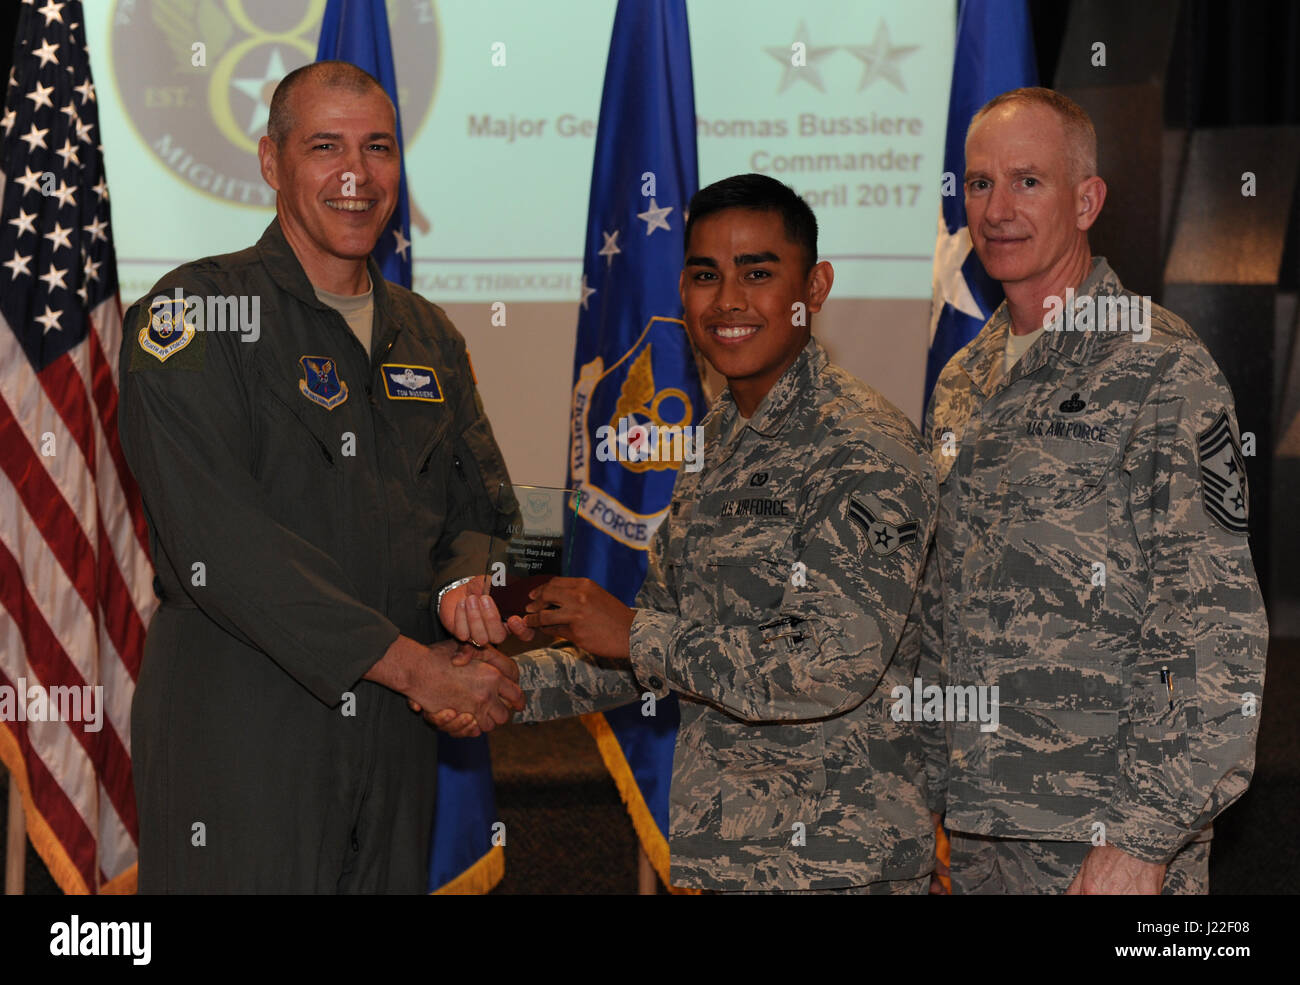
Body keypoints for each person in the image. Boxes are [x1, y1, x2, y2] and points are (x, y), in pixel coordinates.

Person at [430, 173, 939, 892]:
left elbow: (829, 662)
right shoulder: (720, 437)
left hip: (840, 868)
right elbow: (662, 640)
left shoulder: (863, 445)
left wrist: (635, 632)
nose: (727, 300)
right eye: (706, 275)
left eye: (757, 273)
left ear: (815, 287)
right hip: (729, 860)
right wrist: (511, 682)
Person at [118, 61, 523, 893]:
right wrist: (418, 668)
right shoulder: (192, 314)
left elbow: (481, 509)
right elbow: (222, 547)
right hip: (247, 730)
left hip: (398, 734)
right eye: (326, 146)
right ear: (272, 161)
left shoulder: (428, 334)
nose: (356, 174)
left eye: (378, 147)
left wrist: (465, 585)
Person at [914, 87, 1268, 894]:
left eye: (1028, 181)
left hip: (1104, 840)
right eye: (979, 183)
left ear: (1086, 200)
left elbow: (1213, 622)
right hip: (977, 837)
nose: (997, 209)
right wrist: (929, 794)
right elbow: (942, 609)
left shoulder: (1160, 365)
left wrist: (1143, 837)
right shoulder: (964, 379)